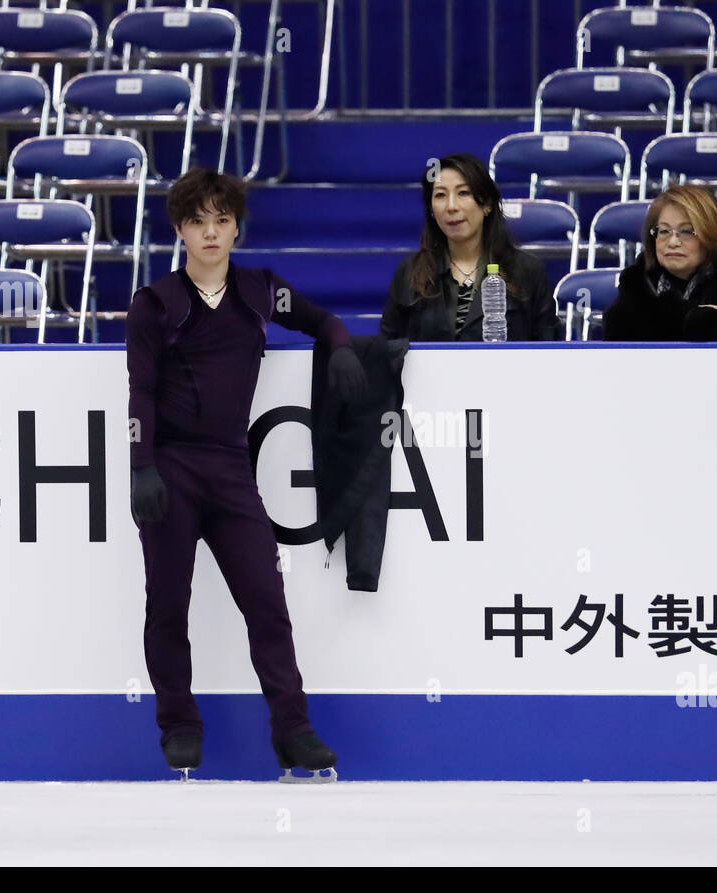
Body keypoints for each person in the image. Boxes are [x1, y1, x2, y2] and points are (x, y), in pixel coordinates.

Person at [126, 167, 366, 781]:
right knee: (167, 605)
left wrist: (338, 347)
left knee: (266, 601)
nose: (211, 232)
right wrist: (142, 467)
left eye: (222, 220)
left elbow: (322, 319)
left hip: (232, 468)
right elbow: (140, 393)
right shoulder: (155, 304)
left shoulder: (261, 291)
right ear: (179, 230)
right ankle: (178, 725)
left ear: (236, 228)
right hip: (172, 469)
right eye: (198, 221)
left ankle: (293, 731)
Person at [380, 152, 560, 341]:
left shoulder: (527, 271)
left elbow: (549, 352)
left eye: (463, 193)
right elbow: (386, 352)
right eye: (440, 195)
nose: (451, 206)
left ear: (487, 204)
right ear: (431, 210)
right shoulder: (409, 273)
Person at [601, 184, 717, 342]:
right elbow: (618, 329)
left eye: (686, 231)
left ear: (710, 236)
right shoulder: (638, 280)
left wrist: (663, 319)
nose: (672, 242)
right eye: (663, 231)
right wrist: (702, 317)